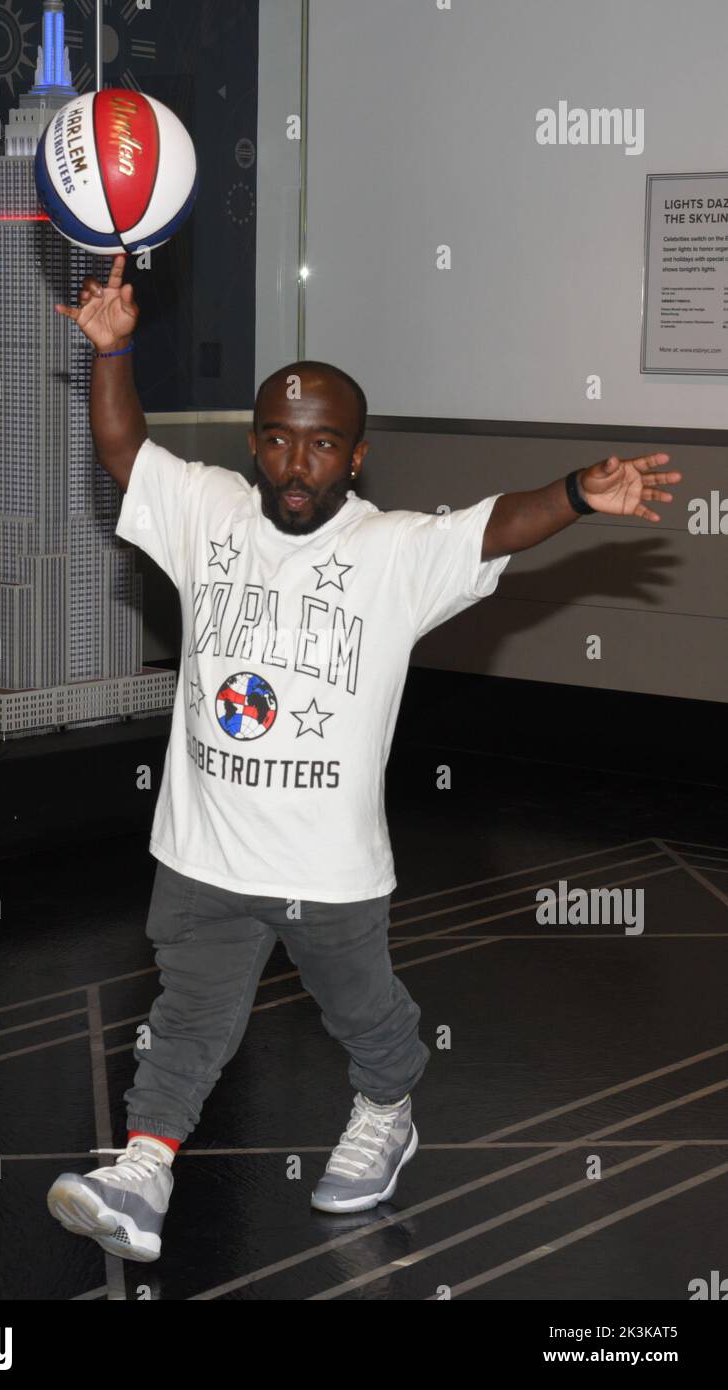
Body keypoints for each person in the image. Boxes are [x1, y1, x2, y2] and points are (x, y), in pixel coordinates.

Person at [46, 254, 681, 1263]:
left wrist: (576, 492)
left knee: (365, 1016)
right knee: (186, 1020)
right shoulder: (207, 510)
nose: (299, 464)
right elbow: (125, 448)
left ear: (356, 455)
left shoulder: (394, 552)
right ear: (257, 446)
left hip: (328, 871)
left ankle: (387, 1108)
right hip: (202, 852)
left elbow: (492, 525)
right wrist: (115, 349)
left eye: (323, 445)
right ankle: (143, 1170)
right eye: (281, 442)